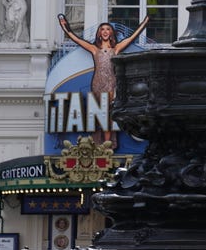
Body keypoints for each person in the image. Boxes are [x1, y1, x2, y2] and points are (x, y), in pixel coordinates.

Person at [57, 14, 149, 149]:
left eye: (107, 29)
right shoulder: (94, 49)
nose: (105, 32)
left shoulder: (116, 49)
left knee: (109, 114)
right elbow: (76, 39)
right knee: (99, 114)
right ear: (99, 33)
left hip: (111, 82)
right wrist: (65, 28)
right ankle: (98, 143)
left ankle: (108, 145)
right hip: (98, 83)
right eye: (102, 29)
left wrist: (145, 22)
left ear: (111, 33)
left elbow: (132, 37)